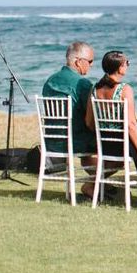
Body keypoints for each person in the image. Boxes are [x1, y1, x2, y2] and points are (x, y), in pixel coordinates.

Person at [40, 41, 98, 196]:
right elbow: (93, 118)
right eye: (90, 61)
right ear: (78, 62)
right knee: (112, 145)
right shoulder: (82, 84)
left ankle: (95, 185)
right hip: (75, 141)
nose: (91, 65)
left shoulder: (50, 81)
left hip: (52, 141)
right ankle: (94, 184)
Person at [85, 51, 137, 172]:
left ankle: (94, 184)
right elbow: (130, 124)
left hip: (103, 143)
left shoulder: (94, 89)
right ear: (119, 67)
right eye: (127, 63)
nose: (128, 65)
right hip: (122, 144)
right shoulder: (124, 89)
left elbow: (89, 122)